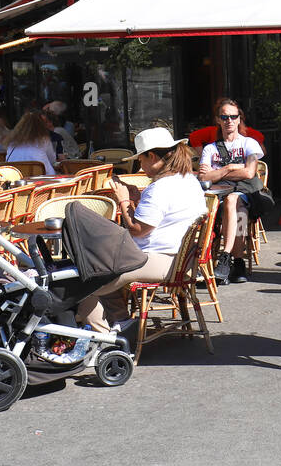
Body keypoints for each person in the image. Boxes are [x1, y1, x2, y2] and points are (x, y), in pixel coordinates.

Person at [77, 130, 207, 334]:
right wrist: (137, 198)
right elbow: (160, 217)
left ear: (152, 157)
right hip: (181, 259)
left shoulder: (161, 188)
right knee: (99, 264)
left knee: (87, 280)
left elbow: (138, 230)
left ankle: (103, 339)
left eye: (141, 159)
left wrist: (123, 199)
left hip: (159, 260)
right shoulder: (188, 180)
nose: (140, 166)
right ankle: (121, 321)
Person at [198, 98, 264, 284]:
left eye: (233, 116)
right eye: (224, 117)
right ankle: (238, 262)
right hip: (217, 201)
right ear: (218, 120)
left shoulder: (249, 143)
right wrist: (229, 168)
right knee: (239, 211)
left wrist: (216, 173)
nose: (229, 120)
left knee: (233, 201)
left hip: (246, 195)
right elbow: (203, 178)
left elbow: (249, 172)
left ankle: (225, 257)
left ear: (239, 119)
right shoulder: (210, 149)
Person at [3, 111, 58, 175]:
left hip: (16, 177)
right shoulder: (44, 140)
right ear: (41, 125)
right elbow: (52, 160)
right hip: (42, 178)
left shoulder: (12, 142)